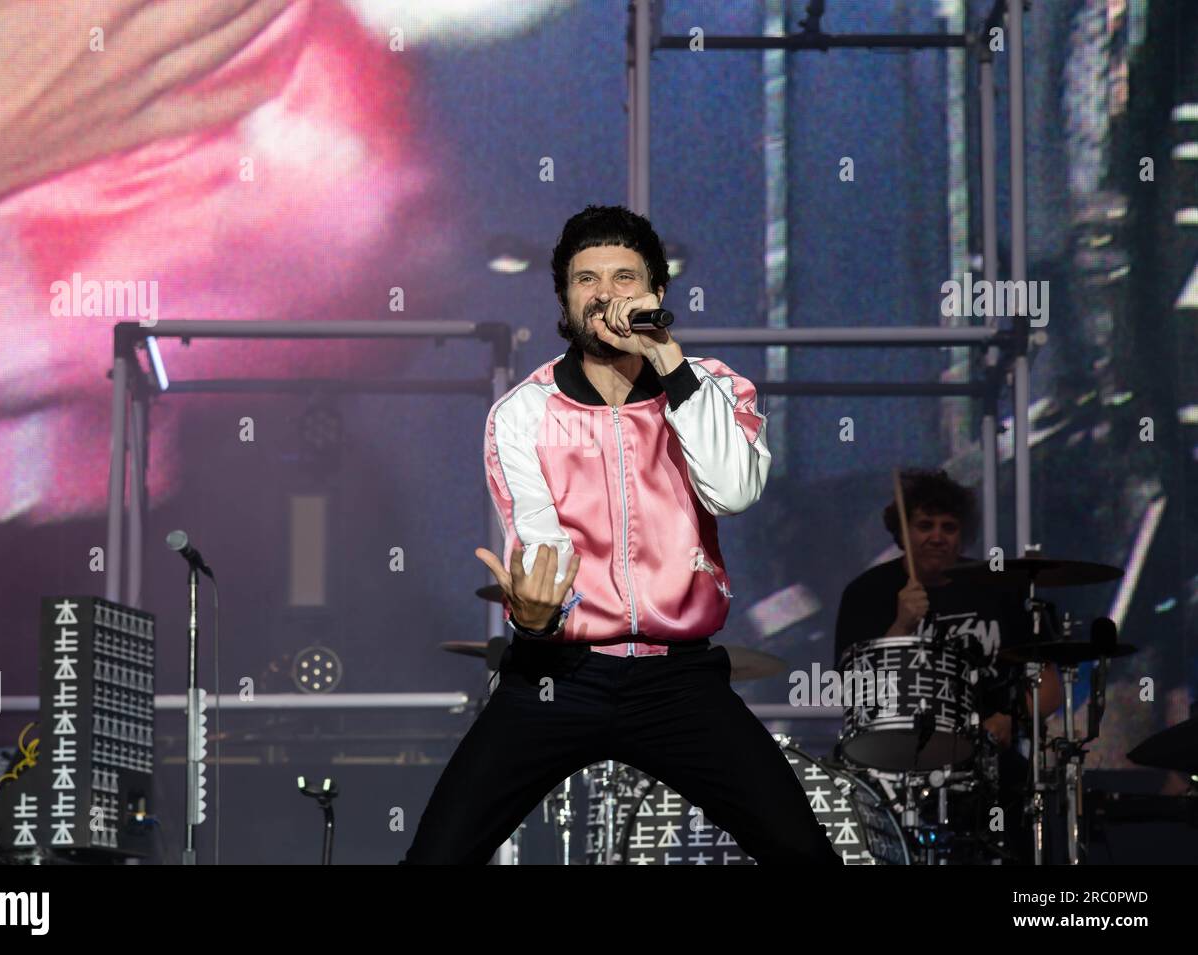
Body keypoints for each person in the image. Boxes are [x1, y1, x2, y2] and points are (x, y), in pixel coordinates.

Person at [403, 205, 840, 865]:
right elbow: (545, 546)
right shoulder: (524, 412)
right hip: (559, 677)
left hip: (678, 679)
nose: (605, 293)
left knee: (803, 853)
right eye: (586, 279)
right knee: (436, 857)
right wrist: (536, 613)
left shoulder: (715, 387)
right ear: (565, 298)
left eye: (624, 277)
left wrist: (670, 361)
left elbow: (734, 490)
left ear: (657, 295)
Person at [833, 468, 1063, 861]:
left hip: (987, 759)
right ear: (902, 532)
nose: (937, 536)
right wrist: (901, 624)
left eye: (949, 527)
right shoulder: (866, 593)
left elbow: (1050, 682)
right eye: (925, 525)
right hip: (894, 759)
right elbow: (855, 689)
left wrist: (1012, 718)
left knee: (1026, 797)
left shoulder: (1000, 588)